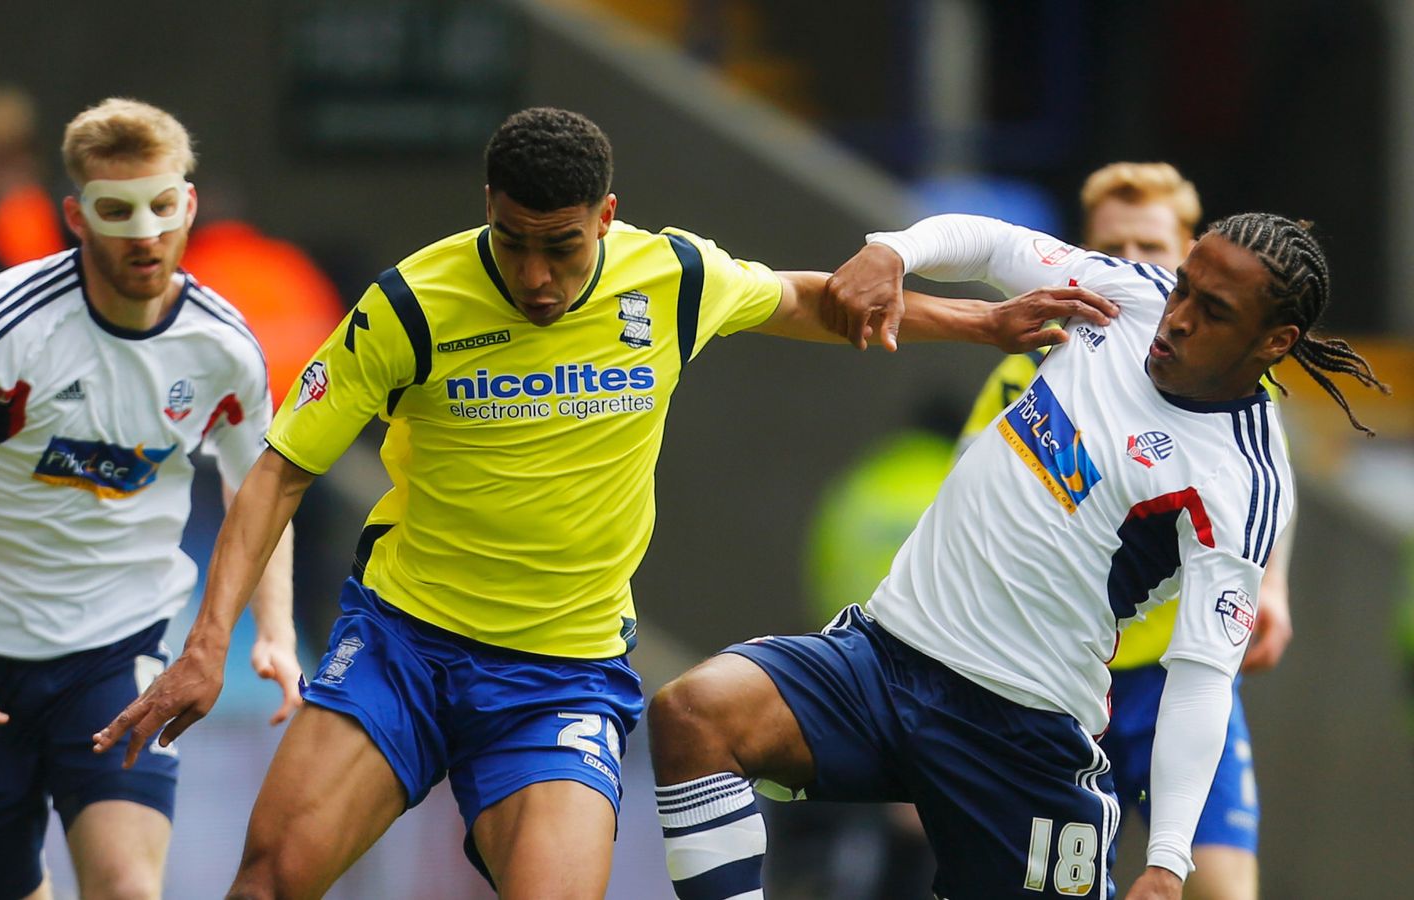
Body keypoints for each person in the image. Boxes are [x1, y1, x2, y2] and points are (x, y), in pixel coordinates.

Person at [91, 107, 1111, 899]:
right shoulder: (408, 305)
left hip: (559, 676)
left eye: (562, 246)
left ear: (607, 220)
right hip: (403, 648)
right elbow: (279, 467)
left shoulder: (666, 277)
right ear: (487, 204)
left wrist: (982, 322)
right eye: (512, 240)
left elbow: (807, 300)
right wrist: (205, 642)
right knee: (269, 882)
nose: (535, 275)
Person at [647, 210, 1388, 900]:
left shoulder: (1241, 476)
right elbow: (997, 244)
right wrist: (894, 250)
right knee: (695, 716)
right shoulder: (1130, 296)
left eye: (1213, 311)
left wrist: (1166, 859)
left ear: (1275, 342)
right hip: (884, 658)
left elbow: (1201, 680)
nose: (1178, 316)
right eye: (1186, 286)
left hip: (1021, 734)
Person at [0, 97, 302, 900]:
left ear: (188, 203)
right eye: (115, 211)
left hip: (115, 653)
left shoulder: (223, 347)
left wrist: (277, 628)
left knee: (126, 883)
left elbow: (261, 480)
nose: (145, 233)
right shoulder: (3, 326)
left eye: (162, 206)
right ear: (76, 217)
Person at [956, 162, 1290, 900]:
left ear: (1188, 257)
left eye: (1151, 247)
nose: (1132, 265)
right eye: (1115, 246)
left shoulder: (1234, 385)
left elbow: (1266, 491)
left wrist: (1274, 585)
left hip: (1174, 670)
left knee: (1225, 888)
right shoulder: (1047, 365)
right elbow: (972, 483)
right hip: (1062, 679)